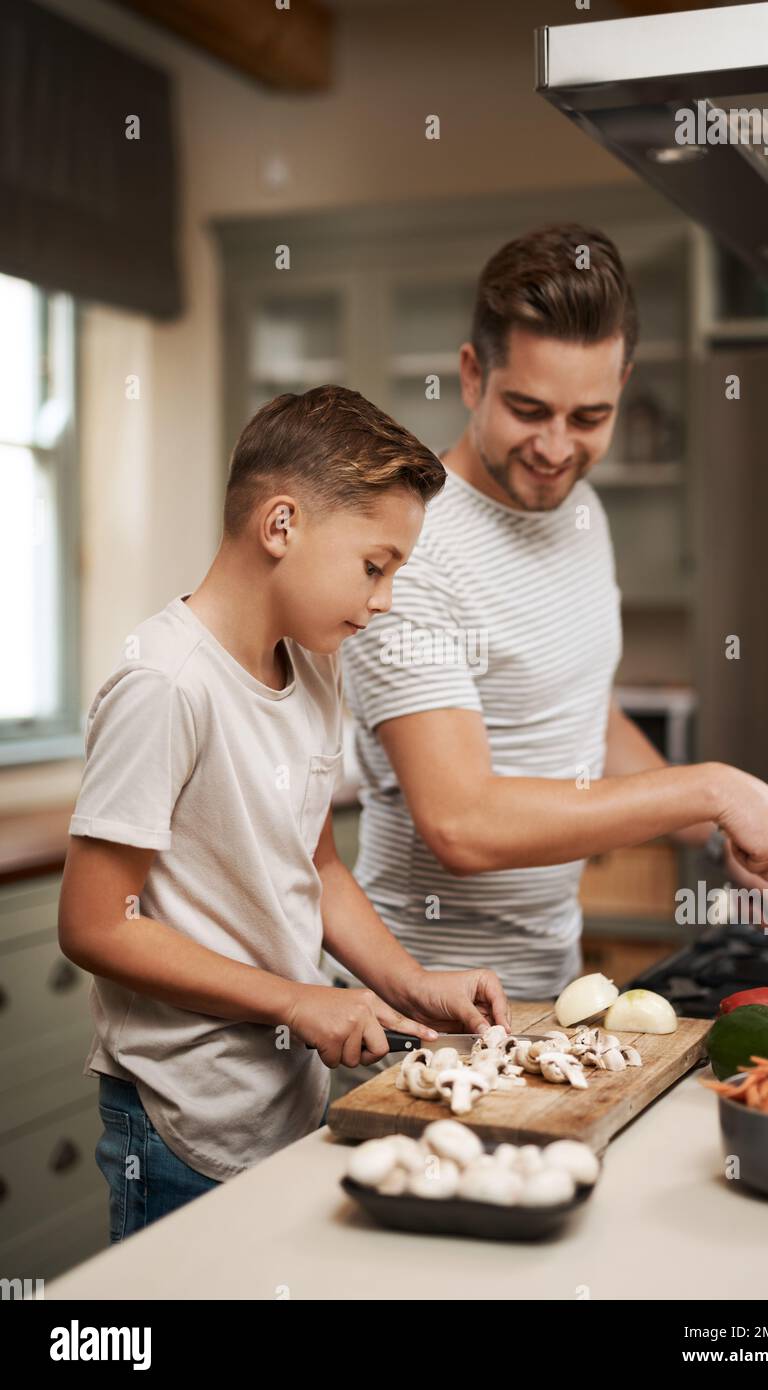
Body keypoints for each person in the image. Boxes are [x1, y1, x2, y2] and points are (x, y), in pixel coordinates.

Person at [333, 223, 768, 1084]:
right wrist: (713, 785)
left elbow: (581, 723)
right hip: (419, 1023)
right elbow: (461, 821)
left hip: (550, 1002)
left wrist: (723, 835)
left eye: (588, 416)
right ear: (469, 375)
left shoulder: (579, 515)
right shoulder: (412, 548)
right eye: (527, 409)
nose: (557, 447)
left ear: (622, 388)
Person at [58, 385, 510, 1240]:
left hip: (285, 1103)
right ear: (281, 526)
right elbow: (94, 927)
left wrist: (410, 985)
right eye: (374, 565)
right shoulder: (166, 684)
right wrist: (298, 1003)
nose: (382, 599)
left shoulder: (312, 667)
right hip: (178, 1123)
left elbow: (317, 866)